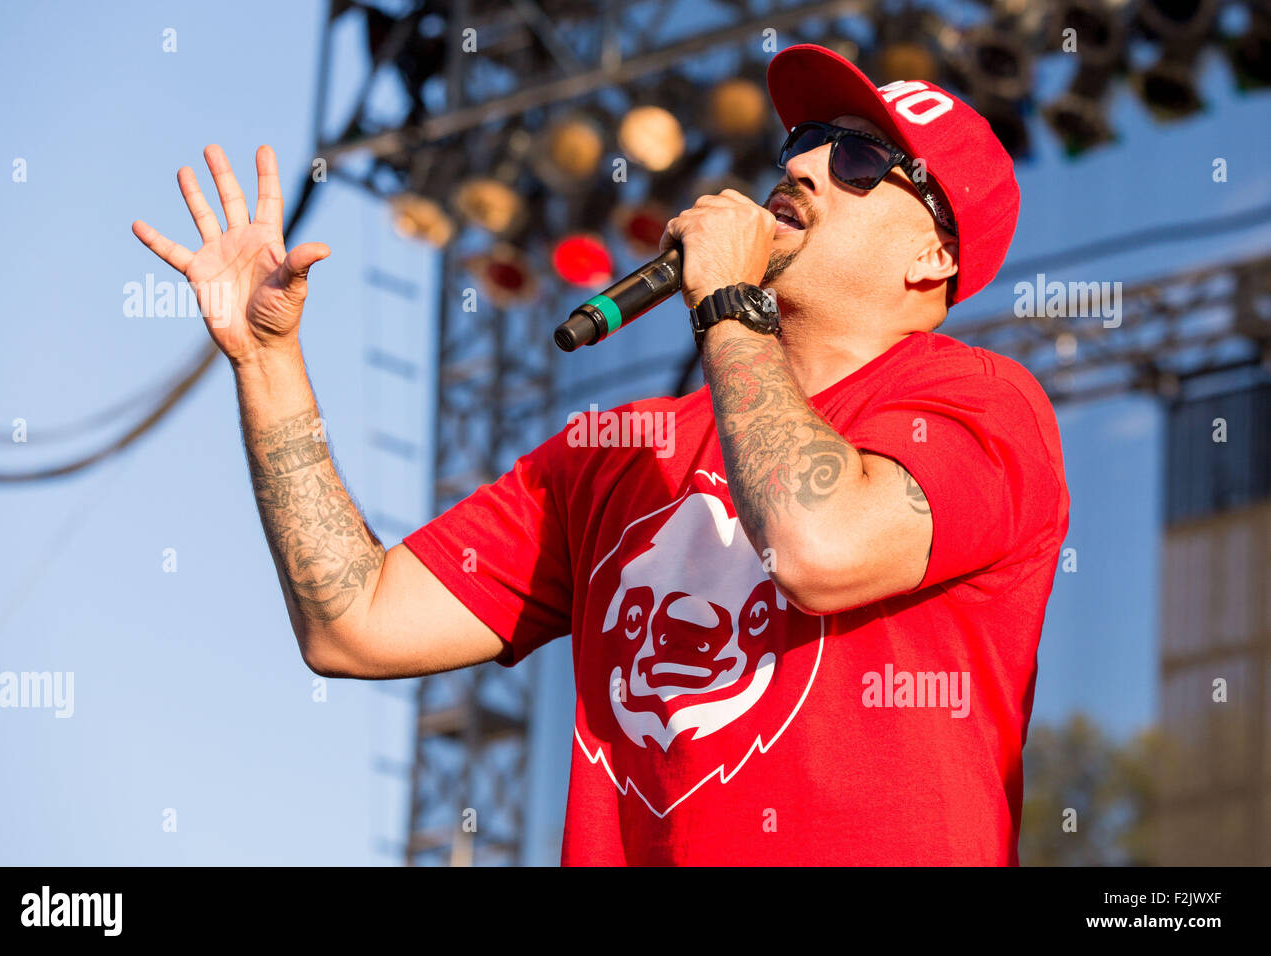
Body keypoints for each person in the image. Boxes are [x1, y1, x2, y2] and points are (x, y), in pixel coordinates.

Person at [133, 43, 1069, 865]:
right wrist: (267, 365)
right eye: (805, 140)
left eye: (864, 159)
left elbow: (820, 545)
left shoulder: (980, 402)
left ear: (931, 259)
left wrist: (728, 306)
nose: (812, 162)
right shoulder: (619, 454)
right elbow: (356, 622)